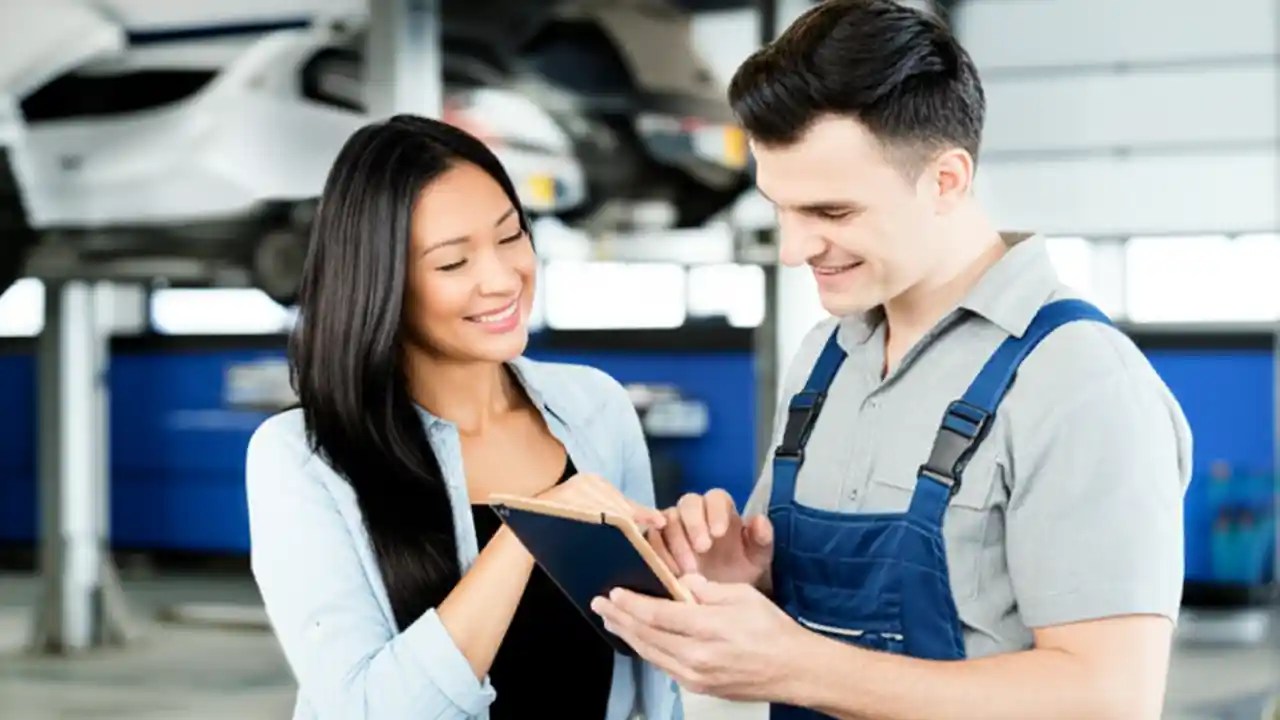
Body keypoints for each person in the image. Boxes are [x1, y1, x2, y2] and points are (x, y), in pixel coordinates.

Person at [591, 2, 1193, 719]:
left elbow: (1108, 698)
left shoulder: (1079, 381)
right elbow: (805, 632)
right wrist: (738, 584)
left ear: (945, 181)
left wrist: (797, 667)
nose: (793, 249)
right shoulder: (824, 360)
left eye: (832, 213)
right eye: (781, 208)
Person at [245, 114, 681, 720]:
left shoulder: (595, 407)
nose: (502, 279)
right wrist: (531, 534)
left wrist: (699, 574)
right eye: (453, 263)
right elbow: (361, 708)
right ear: (381, 282)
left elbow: (651, 670)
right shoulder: (302, 455)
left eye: (511, 236)